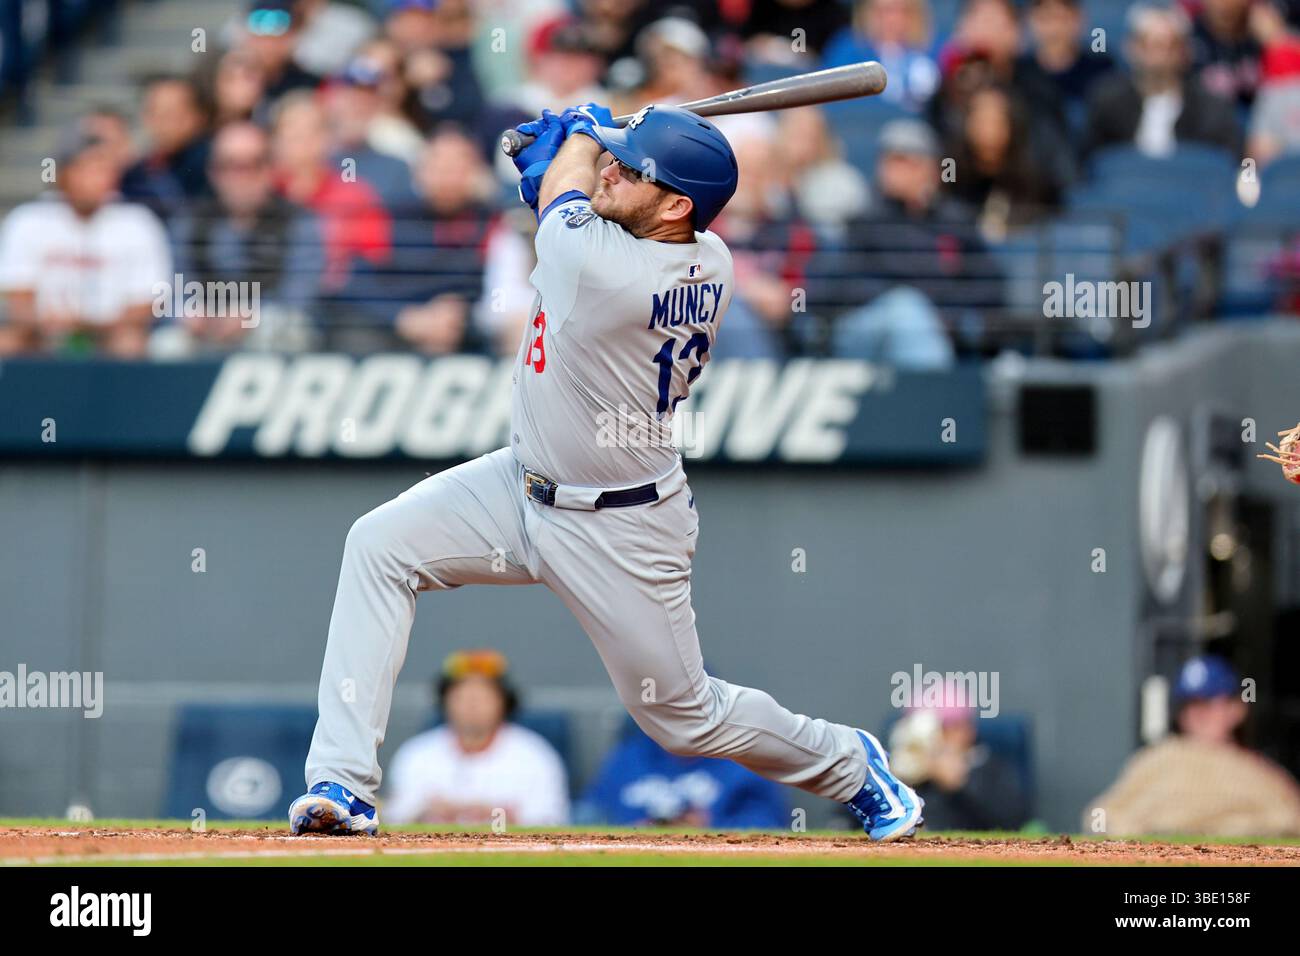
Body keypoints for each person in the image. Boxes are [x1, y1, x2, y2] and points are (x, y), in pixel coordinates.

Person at [287, 101, 924, 842]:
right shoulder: (696, 250)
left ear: (679, 205)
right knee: (379, 544)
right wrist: (578, 155)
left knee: (685, 718)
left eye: (637, 169)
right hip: (522, 482)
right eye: (620, 158)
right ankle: (343, 782)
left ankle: (852, 764)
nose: (615, 170)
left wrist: (579, 137)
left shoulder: (608, 270)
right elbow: (568, 199)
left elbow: (567, 206)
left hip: (620, 524)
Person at [0, 124, 171, 357]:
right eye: (86, 168)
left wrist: (87, 324)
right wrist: (50, 322)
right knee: (7, 341)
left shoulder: (139, 222)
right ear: (64, 174)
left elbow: (145, 306)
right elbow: (17, 299)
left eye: (103, 169)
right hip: (42, 335)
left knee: (130, 342)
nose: (97, 179)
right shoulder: (28, 220)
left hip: (109, 335)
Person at [1084, 655, 1300, 837]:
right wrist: (1127, 829)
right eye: (1191, 704)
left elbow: (1292, 820)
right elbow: (1097, 815)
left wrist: (1232, 826)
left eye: (1209, 703)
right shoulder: (1156, 758)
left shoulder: (1259, 771)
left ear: (1236, 709)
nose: (1199, 714)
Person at [164, 122, 324, 353]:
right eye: (229, 165)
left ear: (270, 169)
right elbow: (175, 285)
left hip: (268, 328)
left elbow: (300, 294)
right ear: (213, 172)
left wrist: (250, 315)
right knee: (169, 343)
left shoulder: (297, 221)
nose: (240, 177)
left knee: (283, 329)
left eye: (252, 165)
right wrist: (194, 312)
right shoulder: (189, 222)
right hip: (207, 330)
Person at [383, 650, 569, 827]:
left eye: (483, 696)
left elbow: (553, 821)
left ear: (503, 702)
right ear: (445, 702)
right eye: (461, 696)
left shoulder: (535, 755)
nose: (472, 704)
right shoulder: (417, 753)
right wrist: (428, 812)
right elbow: (394, 817)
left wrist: (496, 815)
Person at [1084, 4, 1242, 157]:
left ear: (1185, 51)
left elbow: (1231, 165)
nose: (1161, 57)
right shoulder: (1108, 103)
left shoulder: (1212, 108)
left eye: (1170, 46)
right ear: (1132, 48)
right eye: (1151, 45)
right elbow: (1088, 165)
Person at [580, 719, 789, 828]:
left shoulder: (742, 760)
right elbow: (591, 814)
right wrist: (635, 831)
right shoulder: (629, 756)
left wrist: (712, 828)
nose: (680, 717)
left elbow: (769, 824)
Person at [887, 706, 1030, 831]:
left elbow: (1013, 822)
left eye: (949, 728)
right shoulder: (901, 773)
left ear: (968, 730)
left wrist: (961, 785)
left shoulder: (990, 768)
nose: (941, 738)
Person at [822, 0, 942, 113]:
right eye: (883, 12)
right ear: (867, 14)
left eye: (902, 12)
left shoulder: (934, 50)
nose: (892, 19)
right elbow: (832, 101)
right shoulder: (847, 48)